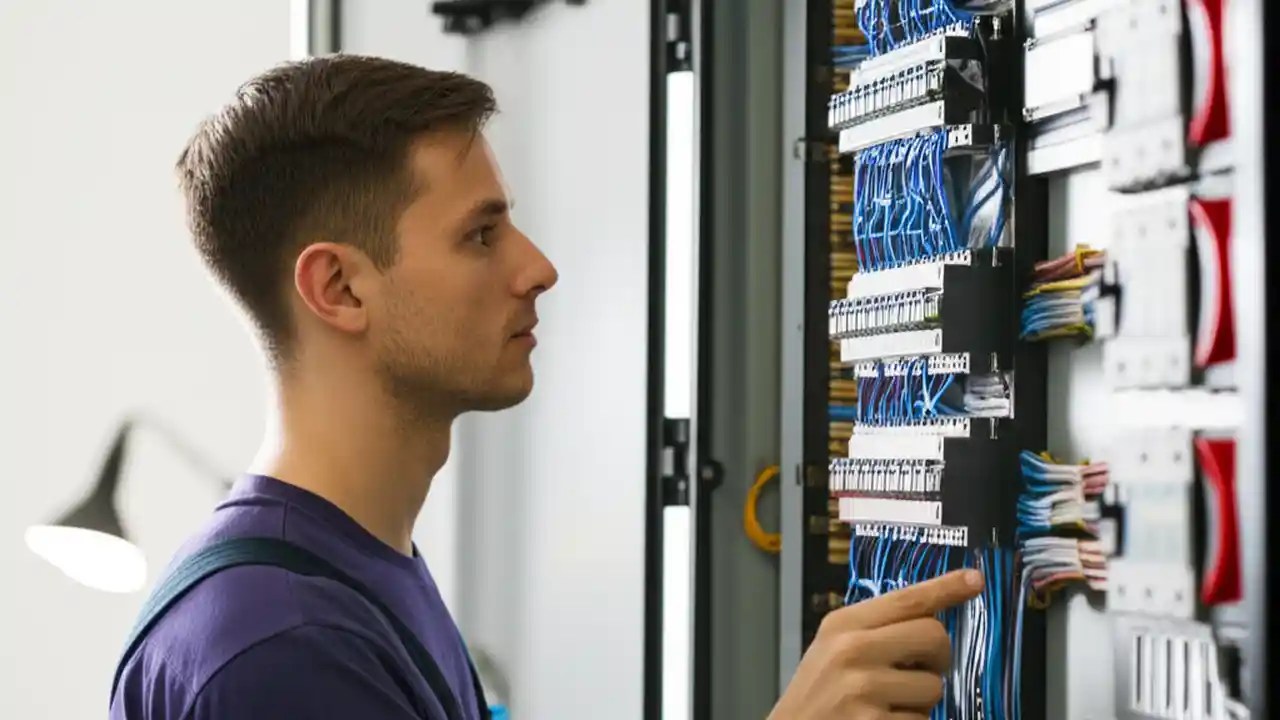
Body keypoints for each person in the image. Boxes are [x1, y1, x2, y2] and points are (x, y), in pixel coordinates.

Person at [109, 54, 984, 720]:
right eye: (481, 236)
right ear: (338, 288)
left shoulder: (351, 574)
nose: (538, 267)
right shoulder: (285, 646)